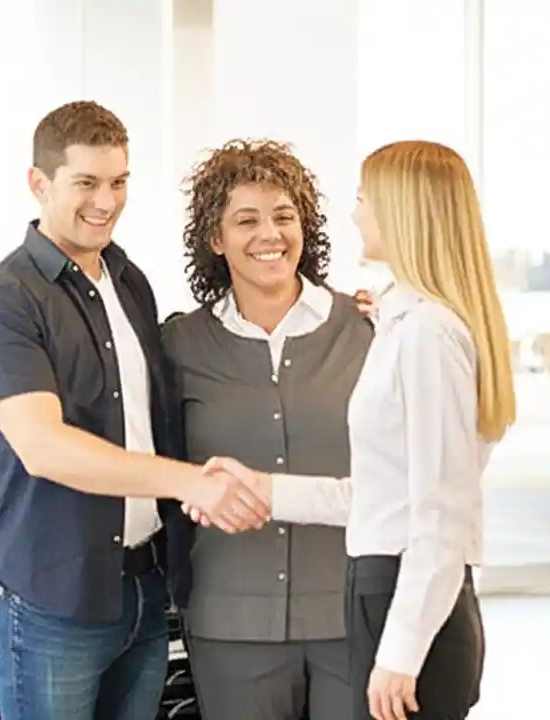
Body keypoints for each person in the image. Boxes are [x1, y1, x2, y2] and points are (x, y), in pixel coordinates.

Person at [0, 100, 270, 720]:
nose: (107, 200)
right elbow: (45, 448)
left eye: (119, 182)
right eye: (87, 183)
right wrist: (189, 482)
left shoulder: (129, 282)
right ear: (39, 184)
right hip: (53, 602)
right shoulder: (4, 302)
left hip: (144, 591)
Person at [193, 140, 515, 720]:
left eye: (366, 198)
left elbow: (441, 517)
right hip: (385, 591)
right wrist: (263, 488)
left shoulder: (426, 334)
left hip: (405, 602)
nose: (355, 213)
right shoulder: (402, 322)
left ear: (401, 211)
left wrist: (399, 655)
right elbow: (380, 497)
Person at [160, 139, 374, 720]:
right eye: (246, 220)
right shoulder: (178, 346)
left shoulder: (368, 331)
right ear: (215, 238)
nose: (269, 234)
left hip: (354, 618)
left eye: (284, 216)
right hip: (230, 625)